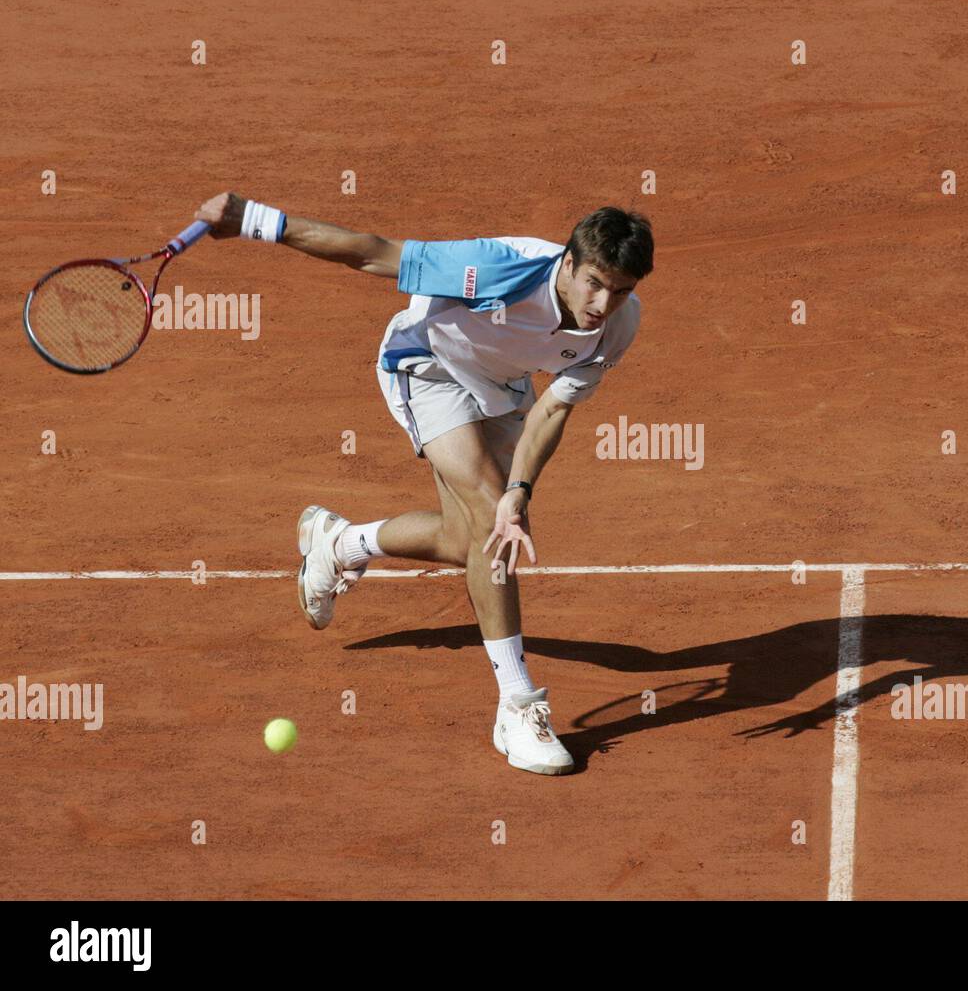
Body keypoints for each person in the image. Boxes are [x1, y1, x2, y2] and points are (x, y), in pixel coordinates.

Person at [194, 192, 654, 775]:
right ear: (567, 263)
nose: (603, 303)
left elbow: (553, 412)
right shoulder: (495, 268)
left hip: (503, 389)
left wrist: (522, 490)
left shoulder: (619, 325)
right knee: (491, 523)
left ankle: (339, 544)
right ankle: (516, 706)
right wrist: (254, 220)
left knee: (470, 542)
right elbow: (372, 253)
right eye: (594, 283)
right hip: (429, 365)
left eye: (621, 290)